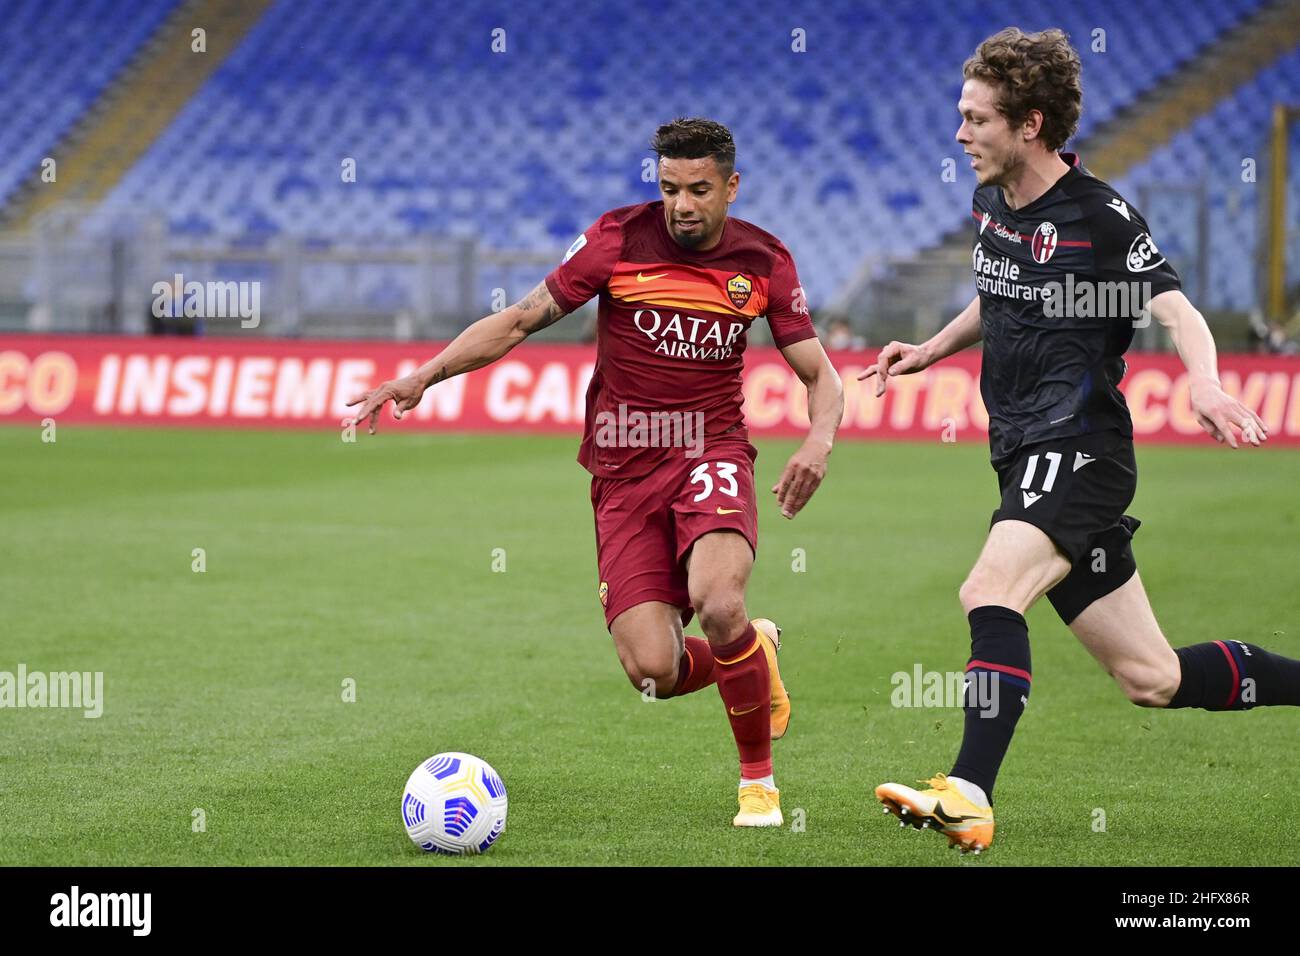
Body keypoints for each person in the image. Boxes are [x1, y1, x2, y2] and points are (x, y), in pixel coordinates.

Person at [863, 27, 1299, 854]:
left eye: (975, 118)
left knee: (988, 591)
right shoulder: (992, 200)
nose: (960, 134)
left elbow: (1176, 309)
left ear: (1029, 124)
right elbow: (998, 293)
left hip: (1081, 448)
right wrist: (929, 351)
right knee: (1153, 677)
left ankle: (969, 794)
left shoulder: (1099, 216)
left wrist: (1201, 379)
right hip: (1023, 452)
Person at [347, 117, 844, 827]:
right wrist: (423, 377)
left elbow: (819, 374)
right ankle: (753, 652)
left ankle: (757, 785)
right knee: (654, 670)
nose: (682, 205)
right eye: (670, 187)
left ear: (731, 187)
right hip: (623, 469)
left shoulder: (763, 262)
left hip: (712, 453)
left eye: (699, 189)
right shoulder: (616, 240)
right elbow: (520, 319)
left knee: (719, 600)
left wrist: (818, 440)